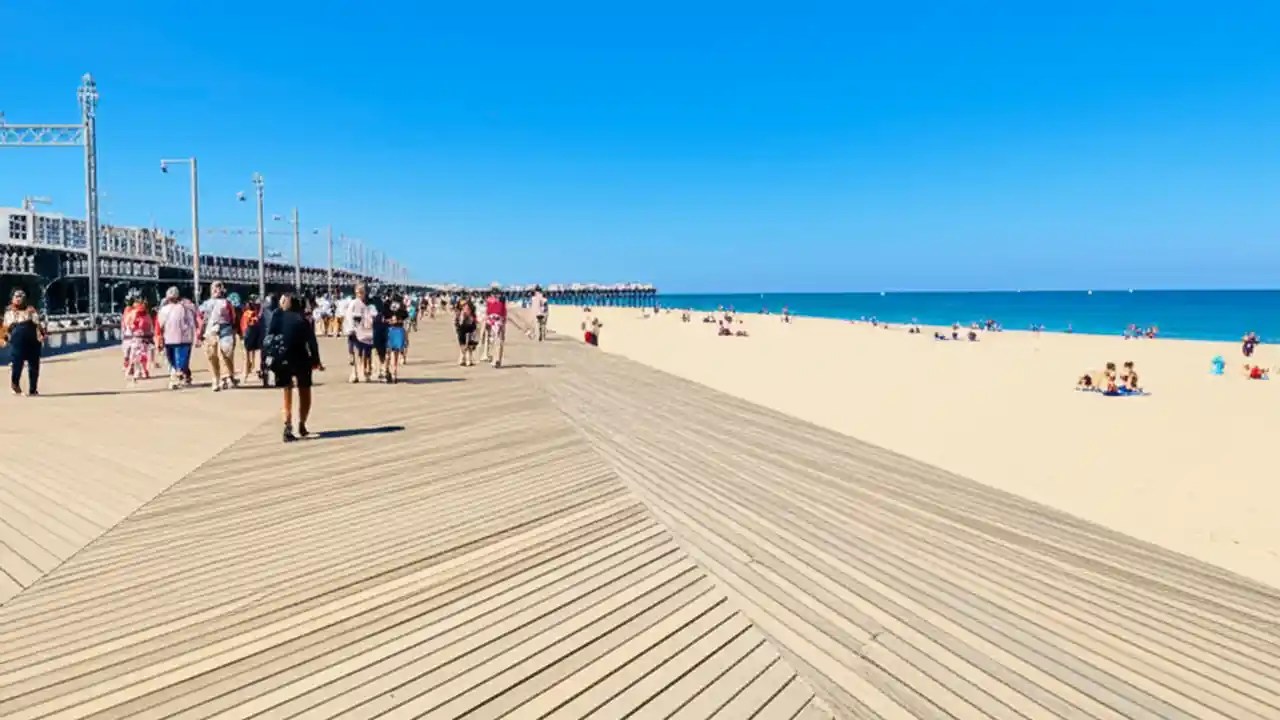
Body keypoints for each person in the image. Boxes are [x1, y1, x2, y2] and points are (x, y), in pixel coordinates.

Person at [266, 293, 323, 442]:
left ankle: (287, 424)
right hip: (301, 358)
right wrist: (316, 360)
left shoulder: (277, 317)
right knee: (304, 390)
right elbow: (312, 342)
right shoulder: (303, 320)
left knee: (287, 390)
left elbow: (269, 337)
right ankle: (302, 424)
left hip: (282, 358)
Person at [1, 289, 45, 396]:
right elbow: (5, 328)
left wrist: (42, 335)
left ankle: (33, 389)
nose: (19, 299)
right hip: (17, 342)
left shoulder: (31, 310)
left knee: (34, 366)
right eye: (17, 297)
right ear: (12, 299)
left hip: (33, 342)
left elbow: (39, 324)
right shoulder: (9, 312)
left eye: (21, 296)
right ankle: (15, 385)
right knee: (17, 365)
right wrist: (3, 339)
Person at [197, 281, 238, 391]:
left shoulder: (227, 303)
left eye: (219, 287)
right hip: (210, 330)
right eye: (214, 287)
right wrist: (199, 333)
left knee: (226, 352)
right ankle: (216, 378)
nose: (216, 290)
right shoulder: (205, 304)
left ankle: (228, 376)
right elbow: (200, 318)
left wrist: (234, 330)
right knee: (211, 354)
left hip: (225, 328)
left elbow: (233, 317)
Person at [156, 286, 196, 389]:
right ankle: (178, 377)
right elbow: (159, 325)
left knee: (177, 362)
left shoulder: (185, 307)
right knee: (176, 362)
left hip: (180, 340)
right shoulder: (167, 309)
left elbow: (159, 325)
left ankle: (176, 379)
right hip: (174, 339)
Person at [344, 283, 376, 382]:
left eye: (361, 292)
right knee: (352, 352)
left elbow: (373, 315)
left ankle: (366, 371)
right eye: (358, 292)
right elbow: (348, 316)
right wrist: (351, 328)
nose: (359, 294)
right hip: (354, 330)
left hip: (366, 331)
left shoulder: (370, 304)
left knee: (367, 352)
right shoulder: (353, 303)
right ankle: (354, 373)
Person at [121, 292, 155, 383]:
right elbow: (150, 327)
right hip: (139, 338)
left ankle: (137, 370)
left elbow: (128, 324)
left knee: (136, 355)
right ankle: (140, 370)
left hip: (136, 338)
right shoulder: (141, 315)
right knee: (139, 355)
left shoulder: (133, 313)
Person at [384, 295, 409, 382]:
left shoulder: (388, 305)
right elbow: (405, 318)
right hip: (398, 330)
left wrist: (390, 321)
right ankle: (393, 372)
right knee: (395, 353)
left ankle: (388, 370)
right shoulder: (402, 307)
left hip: (390, 330)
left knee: (388, 352)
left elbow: (384, 318)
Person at [240, 295, 263, 384]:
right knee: (255, 354)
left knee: (247, 356)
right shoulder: (255, 314)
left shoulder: (247, 313)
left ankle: (247, 373)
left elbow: (244, 326)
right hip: (254, 336)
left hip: (248, 336)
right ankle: (255, 371)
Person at [455, 297, 478, 366]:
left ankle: (467, 359)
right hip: (463, 328)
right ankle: (464, 359)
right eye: (462, 305)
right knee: (464, 344)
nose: (464, 307)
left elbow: (473, 321)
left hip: (468, 328)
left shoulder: (464, 313)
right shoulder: (460, 313)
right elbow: (458, 323)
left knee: (468, 344)